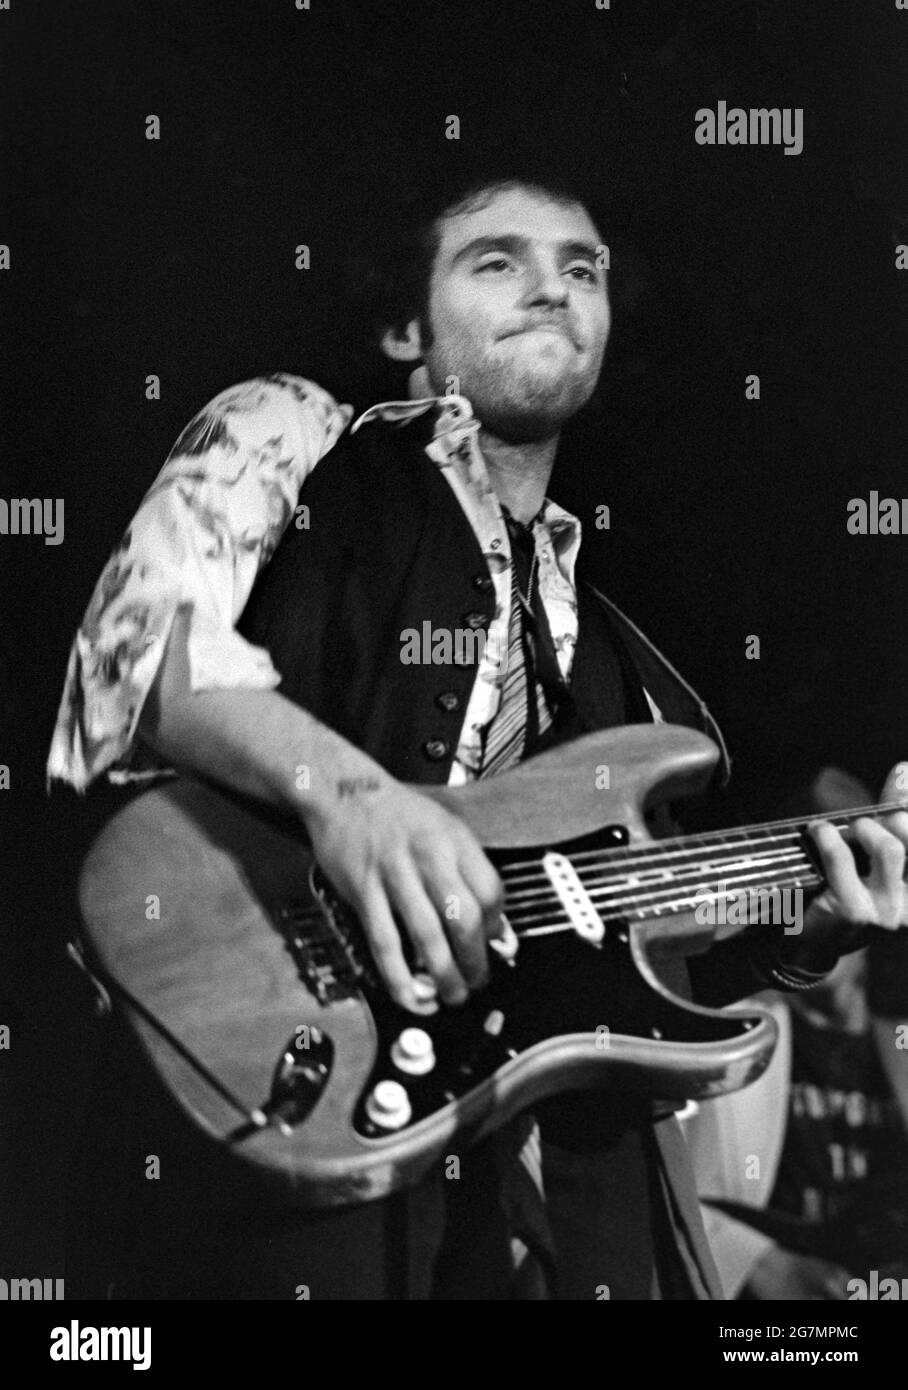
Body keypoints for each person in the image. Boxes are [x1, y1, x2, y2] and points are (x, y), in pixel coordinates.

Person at [48, 168, 908, 1300]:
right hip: (291, 1131)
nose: (552, 289)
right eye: (497, 260)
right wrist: (353, 801)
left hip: (548, 1200)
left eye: (582, 270)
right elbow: (142, 646)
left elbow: (643, 950)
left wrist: (802, 923)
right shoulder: (297, 432)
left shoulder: (625, 673)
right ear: (404, 325)